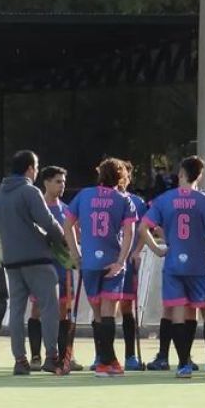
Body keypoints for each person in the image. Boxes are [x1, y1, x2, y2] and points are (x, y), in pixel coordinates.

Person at [139, 155, 205, 378]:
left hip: (174, 265)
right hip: (199, 265)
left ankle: (183, 365)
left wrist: (157, 249)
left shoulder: (164, 200)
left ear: (181, 174)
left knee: (179, 311)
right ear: (199, 176)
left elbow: (143, 227)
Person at [0, 150, 66, 376]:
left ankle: (20, 360)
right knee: (49, 308)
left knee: (17, 311)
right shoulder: (30, 191)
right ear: (30, 168)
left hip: (11, 261)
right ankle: (52, 356)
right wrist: (62, 240)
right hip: (37, 258)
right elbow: (47, 221)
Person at [64, 158, 136, 377]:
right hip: (112, 261)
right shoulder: (124, 200)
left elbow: (67, 225)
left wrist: (76, 254)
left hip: (90, 263)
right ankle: (106, 362)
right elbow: (130, 233)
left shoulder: (84, 195)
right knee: (108, 314)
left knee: (97, 313)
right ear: (121, 177)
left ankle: (107, 360)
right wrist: (122, 260)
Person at [27, 166, 83, 372]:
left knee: (63, 312)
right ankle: (35, 356)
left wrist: (76, 256)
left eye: (64, 182)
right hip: (41, 266)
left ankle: (65, 356)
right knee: (37, 309)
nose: (62, 185)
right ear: (46, 183)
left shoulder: (68, 210)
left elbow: (75, 235)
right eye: (58, 181)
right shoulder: (36, 208)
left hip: (63, 268)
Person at [118, 161, 148, 371]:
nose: (122, 180)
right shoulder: (102, 199)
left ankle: (130, 356)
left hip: (127, 262)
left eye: (125, 176)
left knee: (127, 307)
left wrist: (136, 251)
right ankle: (101, 355)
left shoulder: (137, 202)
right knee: (103, 307)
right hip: (108, 260)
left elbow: (144, 230)